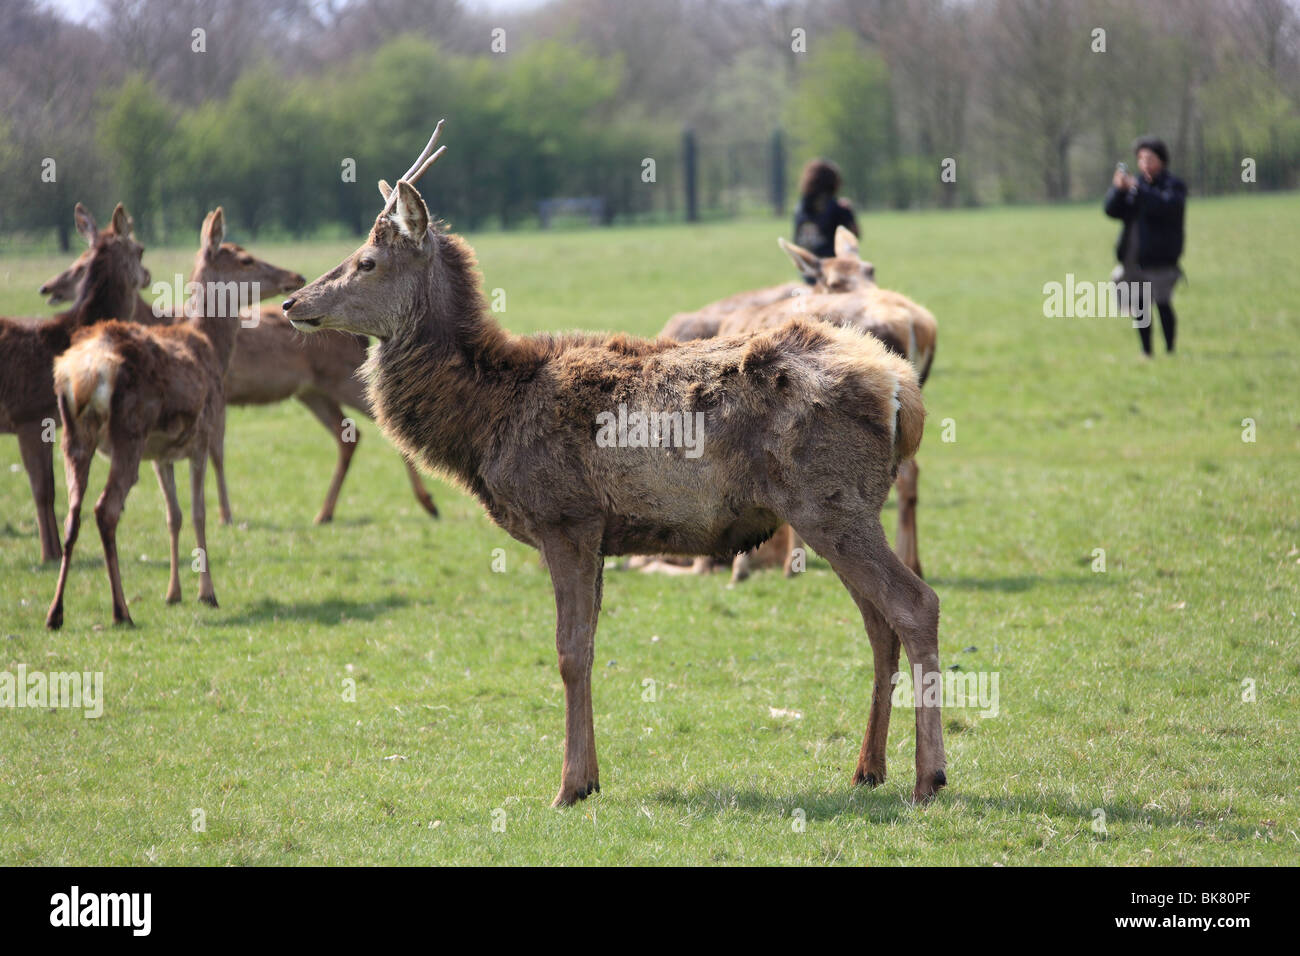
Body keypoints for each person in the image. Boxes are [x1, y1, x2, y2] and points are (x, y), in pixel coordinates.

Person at [1103, 135, 1187, 357]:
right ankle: (1146, 351)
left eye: (1149, 158)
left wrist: (1138, 189)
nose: (1144, 164)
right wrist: (1118, 190)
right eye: (1140, 159)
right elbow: (1111, 211)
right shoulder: (1134, 187)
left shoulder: (1173, 186)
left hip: (1160, 257)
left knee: (1162, 303)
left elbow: (1164, 206)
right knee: (1140, 307)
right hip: (1134, 256)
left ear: (1161, 160)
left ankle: (1170, 350)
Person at [793, 158, 858, 271]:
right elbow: (854, 234)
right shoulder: (839, 208)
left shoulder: (799, 208)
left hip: (808, 271)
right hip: (832, 272)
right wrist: (849, 212)